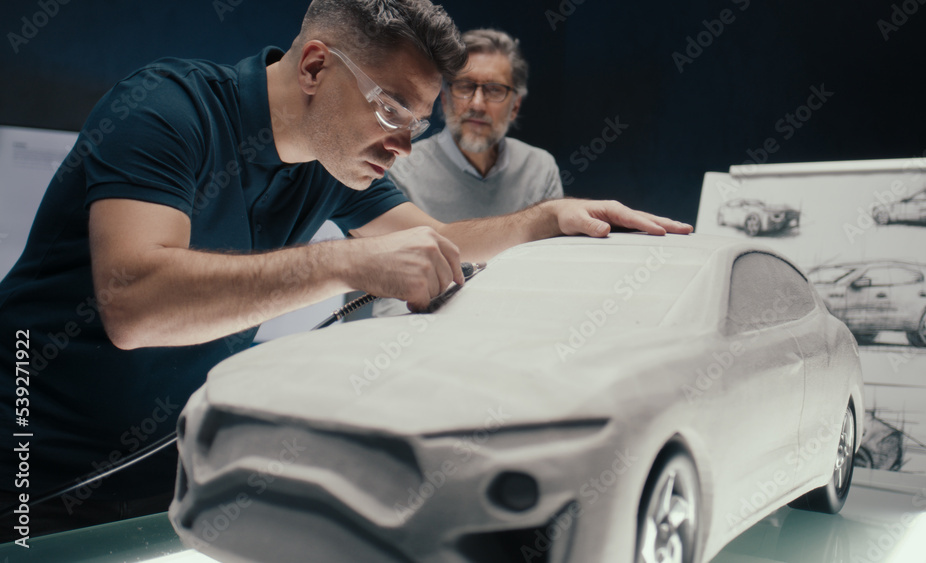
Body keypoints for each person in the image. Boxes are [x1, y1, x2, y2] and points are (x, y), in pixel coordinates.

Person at [0, 0, 690, 540]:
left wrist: (544, 220)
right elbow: (136, 304)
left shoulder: (336, 162)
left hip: (158, 466)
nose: (401, 146)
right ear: (313, 67)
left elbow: (440, 242)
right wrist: (348, 262)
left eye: (417, 123)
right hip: (26, 462)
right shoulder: (164, 112)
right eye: (391, 110)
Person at [374, 28, 562, 317]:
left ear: (514, 107)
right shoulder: (401, 169)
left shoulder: (540, 168)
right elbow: (392, 301)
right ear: (446, 98)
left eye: (494, 90)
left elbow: (550, 279)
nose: (477, 103)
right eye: (464, 86)